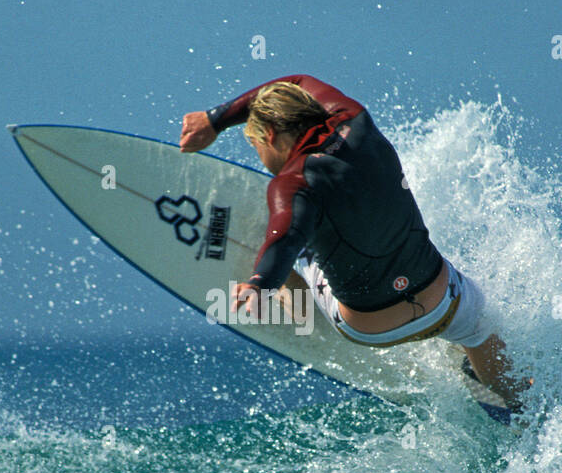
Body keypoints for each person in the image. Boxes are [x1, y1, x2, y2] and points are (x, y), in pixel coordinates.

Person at [179, 74, 530, 414]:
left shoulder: (291, 184)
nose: (260, 157)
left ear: (270, 135)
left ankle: (302, 315)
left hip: (368, 327)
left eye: (256, 147)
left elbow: (283, 239)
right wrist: (215, 119)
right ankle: (521, 400)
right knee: (477, 326)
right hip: (443, 303)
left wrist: (260, 283)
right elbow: (298, 80)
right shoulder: (357, 121)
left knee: (295, 248)